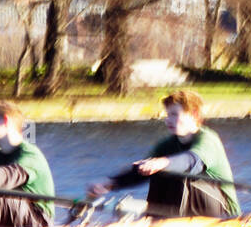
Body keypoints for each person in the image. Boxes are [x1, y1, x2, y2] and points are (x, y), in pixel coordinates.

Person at [90, 89, 240, 218]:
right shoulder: (166, 145)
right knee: (157, 170)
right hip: (188, 212)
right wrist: (111, 183)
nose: (168, 120)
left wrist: (162, 163)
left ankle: (169, 225)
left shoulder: (208, 139)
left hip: (225, 213)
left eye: (174, 114)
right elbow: (142, 173)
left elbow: (191, 162)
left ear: (194, 114)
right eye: (167, 115)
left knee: (175, 171)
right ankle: (157, 223)